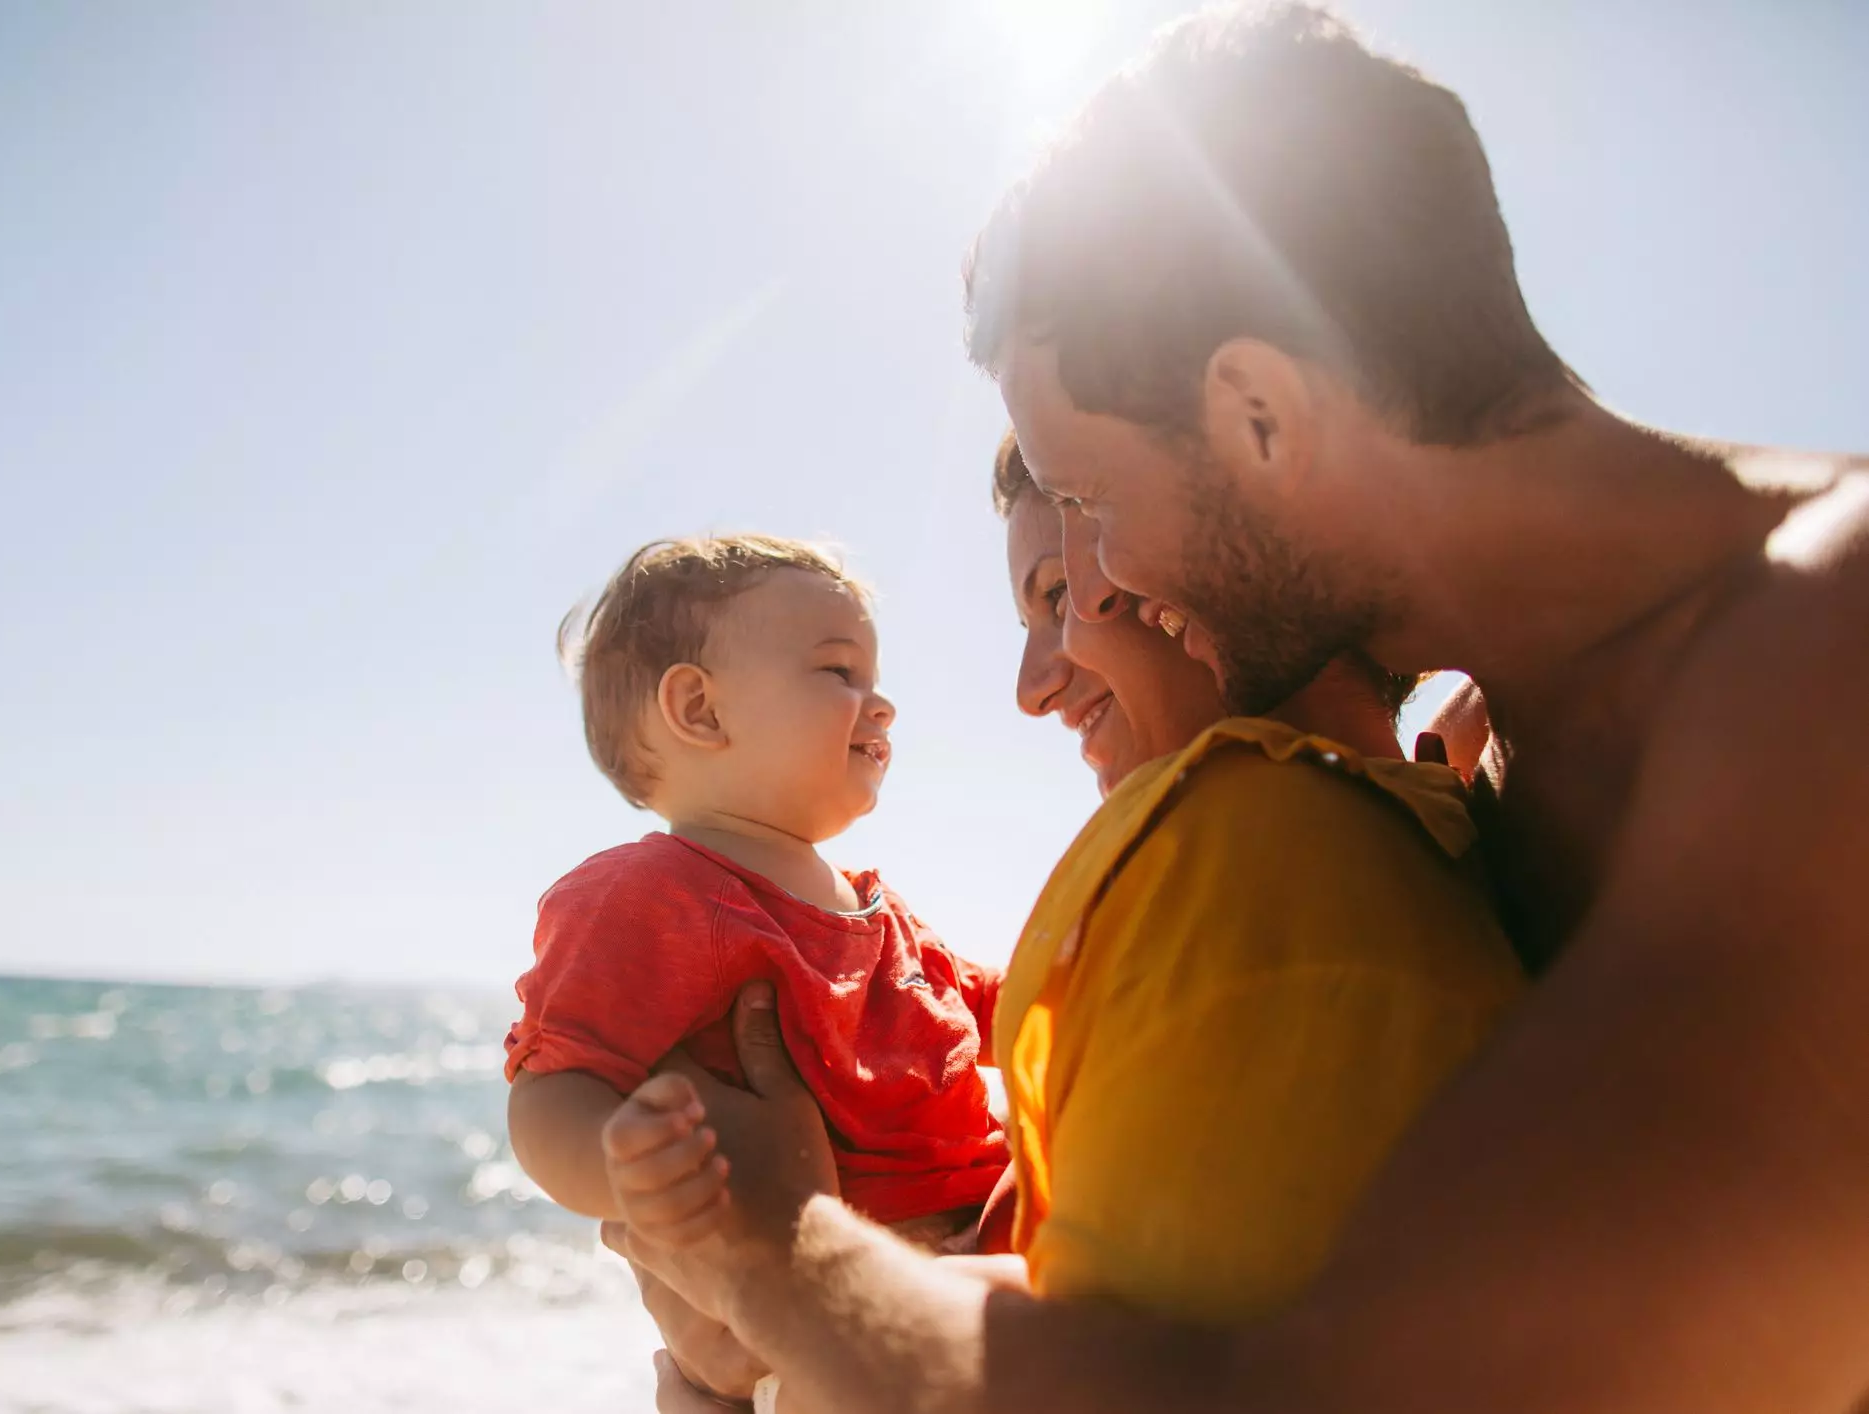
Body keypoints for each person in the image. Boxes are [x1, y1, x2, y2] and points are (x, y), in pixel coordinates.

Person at [606, 5, 1869, 1412]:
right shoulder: (1486, 757)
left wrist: (774, 1250)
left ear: (1260, 414)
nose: (1106, 580)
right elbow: (1364, 1292)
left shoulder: (1827, 661)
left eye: (1091, 497)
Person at [608, 437, 1523, 1407]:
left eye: (1061, 594)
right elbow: (1127, 1305)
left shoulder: (1248, 859)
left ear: (1203, 547)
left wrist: (769, 1263)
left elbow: (1125, 1385)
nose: (1032, 687)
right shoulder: (1405, 826)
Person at [501, 537, 1007, 1390]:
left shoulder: (872, 906)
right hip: (812, 1319)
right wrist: (622, 1169)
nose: (879, 705)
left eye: (874, 677)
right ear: (699, 710)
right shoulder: (652, 893)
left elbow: (1002, 1007)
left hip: (956, 1264)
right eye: (838, 672)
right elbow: (550, 1087)